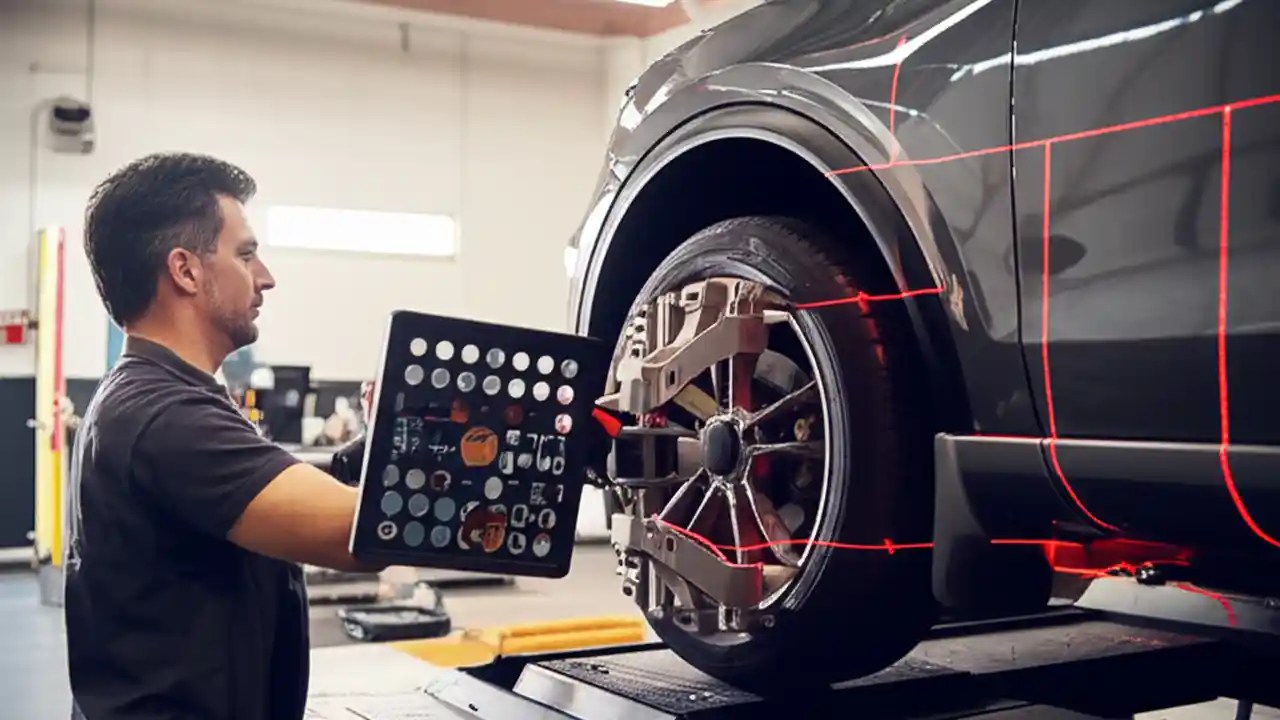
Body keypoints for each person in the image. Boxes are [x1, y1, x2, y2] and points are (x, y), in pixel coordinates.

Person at [65, 152, 381, 720]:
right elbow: (363, 535)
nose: (266, 277)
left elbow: (271, 491)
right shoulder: (166, 416)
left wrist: (383, 443)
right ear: (185, 270)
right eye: (246, 254)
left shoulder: (157, 395)